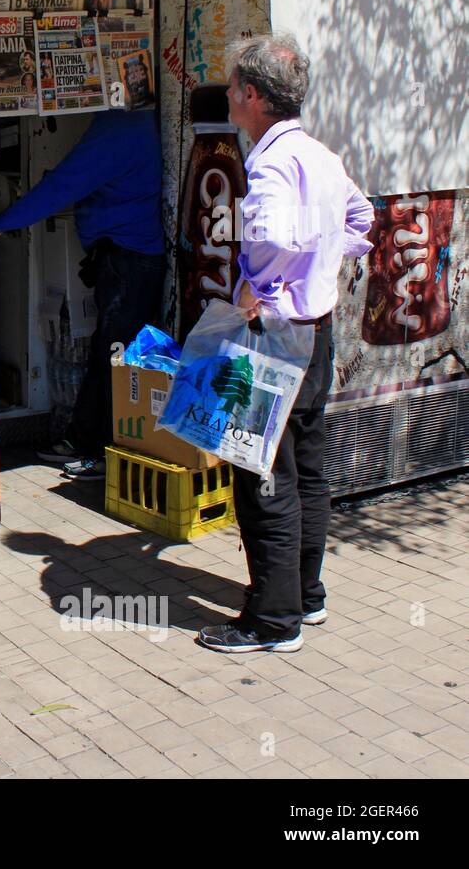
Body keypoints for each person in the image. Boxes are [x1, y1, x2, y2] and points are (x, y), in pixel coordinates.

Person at [198, 34, 374, 654]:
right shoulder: (320, 156)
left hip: (277, 333)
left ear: (251, 95)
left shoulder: (270, 161)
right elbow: (362, 220)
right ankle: (306, 595)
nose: (227, 97)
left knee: (264, 473)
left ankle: (273, 623)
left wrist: (262, 288)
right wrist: (323, 266)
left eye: (231, 88)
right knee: (307, 465)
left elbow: (273, 235)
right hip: (316, 331)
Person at [0, 108, 165, 480]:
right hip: (130, 257)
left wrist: (4, 222)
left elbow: (66, 183)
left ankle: (98, 453)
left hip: (127, 260)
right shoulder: (139, 122)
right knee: (111, 353)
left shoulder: (123, 127)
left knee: (113, 357)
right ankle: (90, 443)